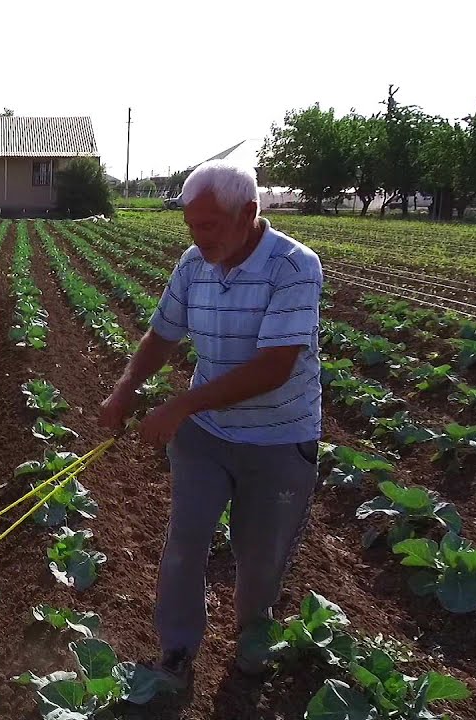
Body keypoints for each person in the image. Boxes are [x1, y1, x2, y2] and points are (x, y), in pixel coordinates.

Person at [99, 160, 323, 692]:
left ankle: (252, 637)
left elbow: (274, 368)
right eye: (191, 226)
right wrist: (123, 391)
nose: (198, 239)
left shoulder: (293, 266)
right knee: (186, 540)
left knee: (259, 556)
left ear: (248, 213)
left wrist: (180, 406)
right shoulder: (193, 264)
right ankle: (176, 649)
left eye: (209, 226)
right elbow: (161, 336)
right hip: (206, 438)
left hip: (278, 438)